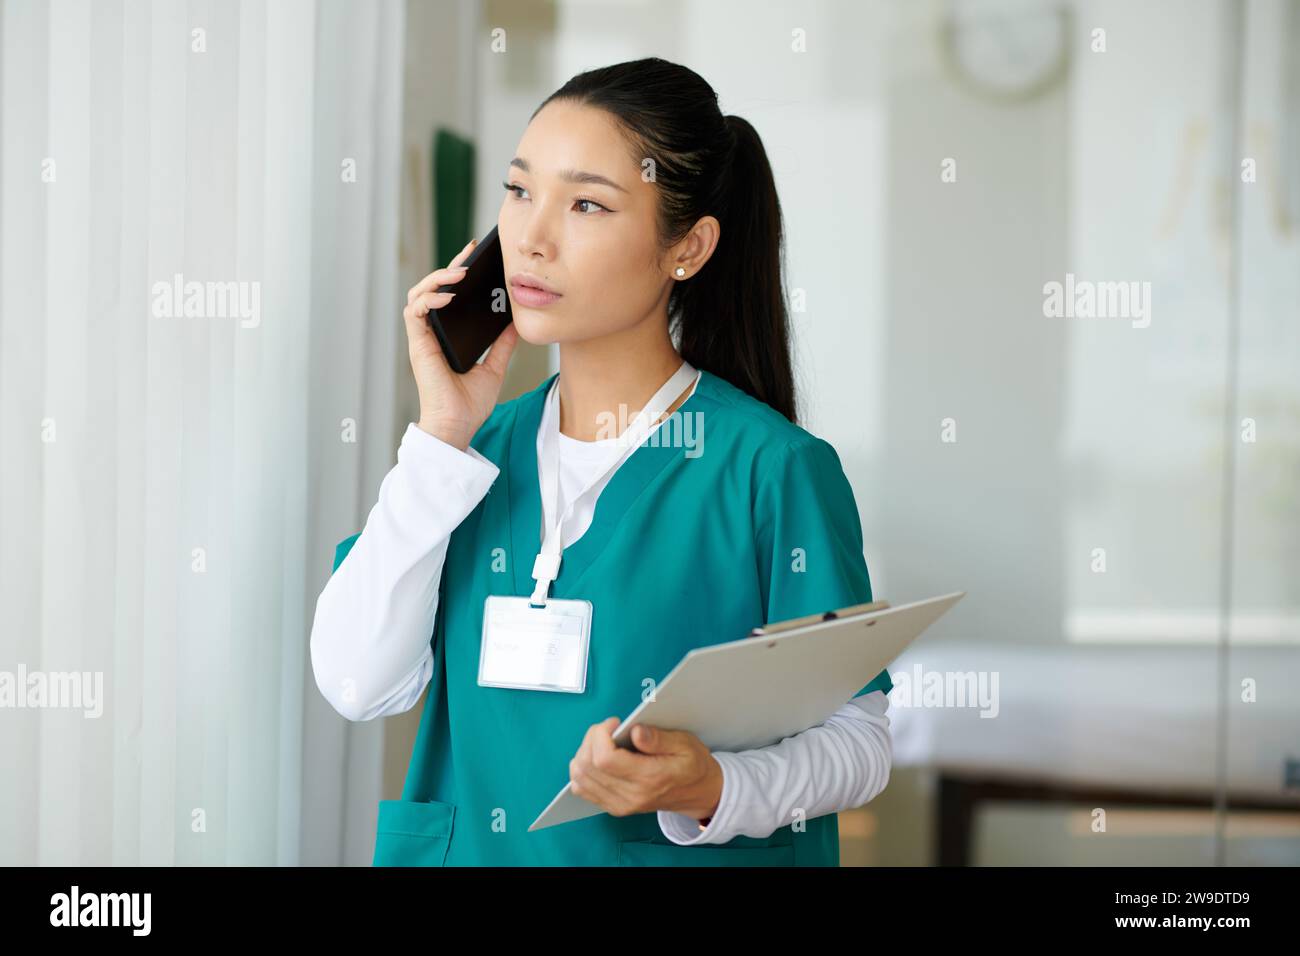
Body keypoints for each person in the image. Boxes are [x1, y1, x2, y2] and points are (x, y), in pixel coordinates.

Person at [310, 57, 892, 867]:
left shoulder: (770, 469)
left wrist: (709, 786)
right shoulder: (458, 460)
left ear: (687, 247)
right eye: (520, 191)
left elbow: (860, 744)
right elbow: (356, 683)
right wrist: (440, 433)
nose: (532, 238)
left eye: (585, 203)